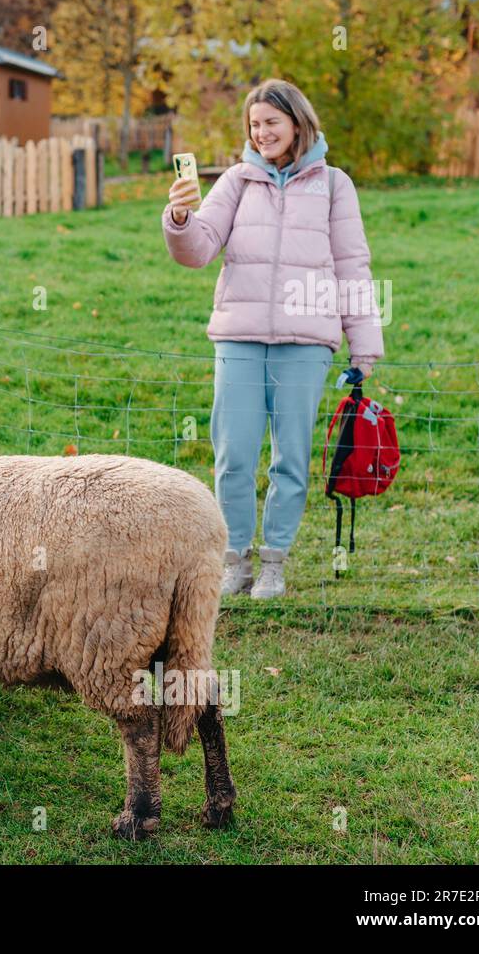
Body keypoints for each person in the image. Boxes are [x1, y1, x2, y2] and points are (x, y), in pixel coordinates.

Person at [161, 78, 384, 599]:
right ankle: (235, 560)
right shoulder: (236, 181)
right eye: (254, 125)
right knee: (233, 454)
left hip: (306, 343)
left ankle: (274, 563)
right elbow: (199, 249)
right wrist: (178, 219)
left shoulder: (333, 185)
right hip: (238, 338)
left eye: (271, 123)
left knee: (290, 458)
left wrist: (364, 344)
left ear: (297, 122)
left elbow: (354, 265)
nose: (262, 133)